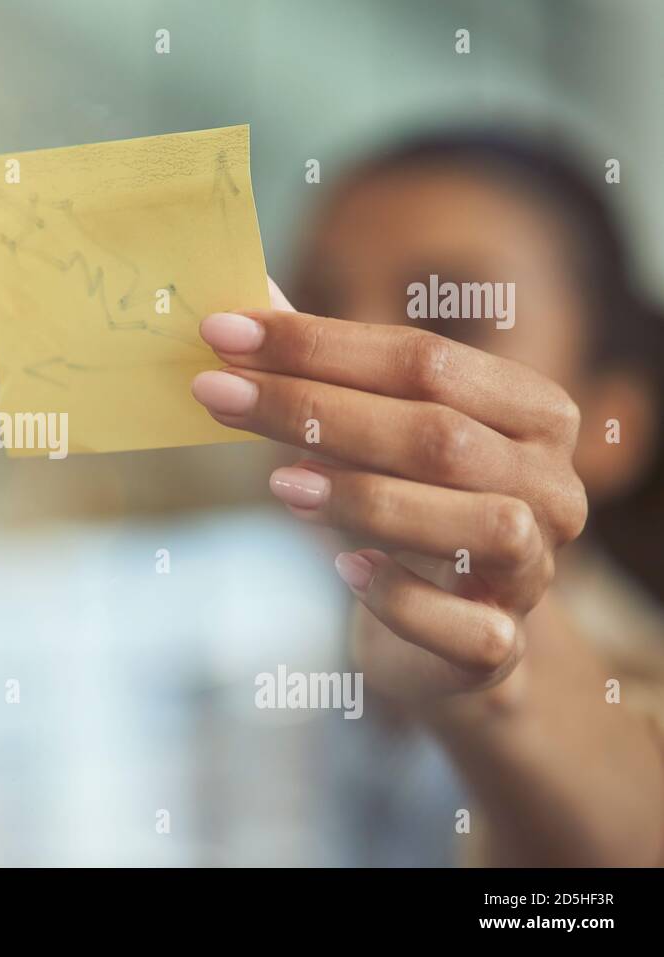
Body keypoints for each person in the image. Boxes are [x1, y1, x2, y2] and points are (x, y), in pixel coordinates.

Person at [192, 130, 664, 865]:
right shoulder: (224, 665)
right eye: (313, 307)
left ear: (615, 424)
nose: (349, 372)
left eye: (454, 319)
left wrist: (497, 676)